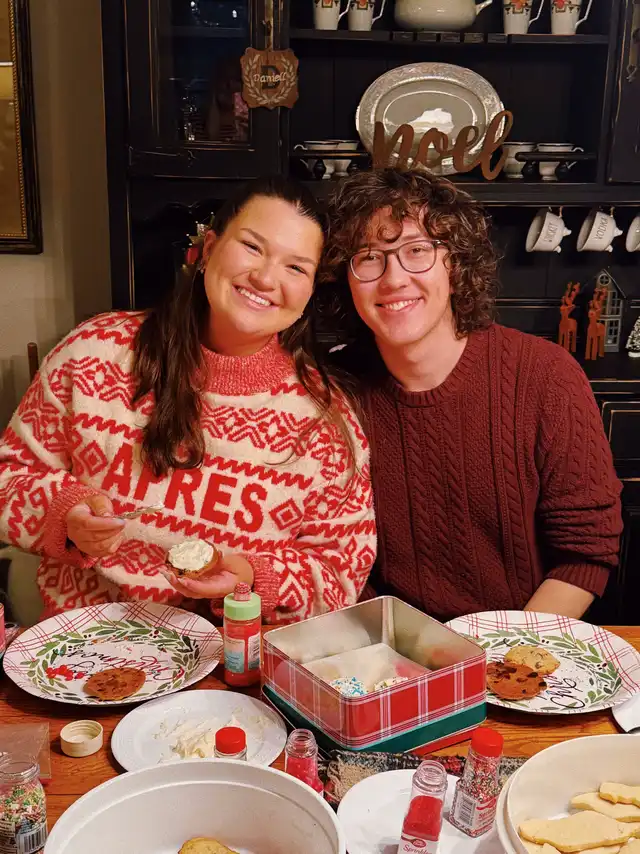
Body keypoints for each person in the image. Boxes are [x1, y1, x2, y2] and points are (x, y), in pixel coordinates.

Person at [0, 177, 375, 622]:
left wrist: (249, 577)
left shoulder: (324, 419)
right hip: (85, 642)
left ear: (311, 290)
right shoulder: (93, 353)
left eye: (296, 268)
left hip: (232, 653)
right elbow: (9, 478)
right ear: (209, 249)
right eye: (252, 247)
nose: (265, 278)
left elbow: (339, 574)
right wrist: (65, 515)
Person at [322, 167, 622, 622]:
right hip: (389, 645)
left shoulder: (545, 375)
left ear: (455, 263)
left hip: (523, 639)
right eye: (368, 257)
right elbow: (335, 556)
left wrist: (505, 649)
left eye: (417, 250)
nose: (393, 278)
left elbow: (586, 549)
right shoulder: (332, 389)